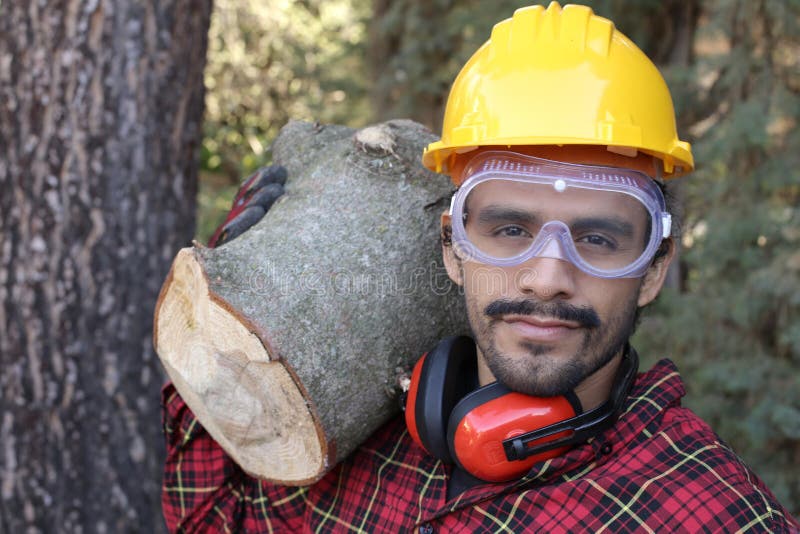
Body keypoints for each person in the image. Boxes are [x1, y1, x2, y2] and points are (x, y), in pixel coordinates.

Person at [161, 3, 799, 532]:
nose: (546, 276)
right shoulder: (365, 451)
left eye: (600, 238)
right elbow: (210, 515)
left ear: (655, 267)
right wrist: (223, 314)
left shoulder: (710, 516)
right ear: (451, 248)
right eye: (510, 230)